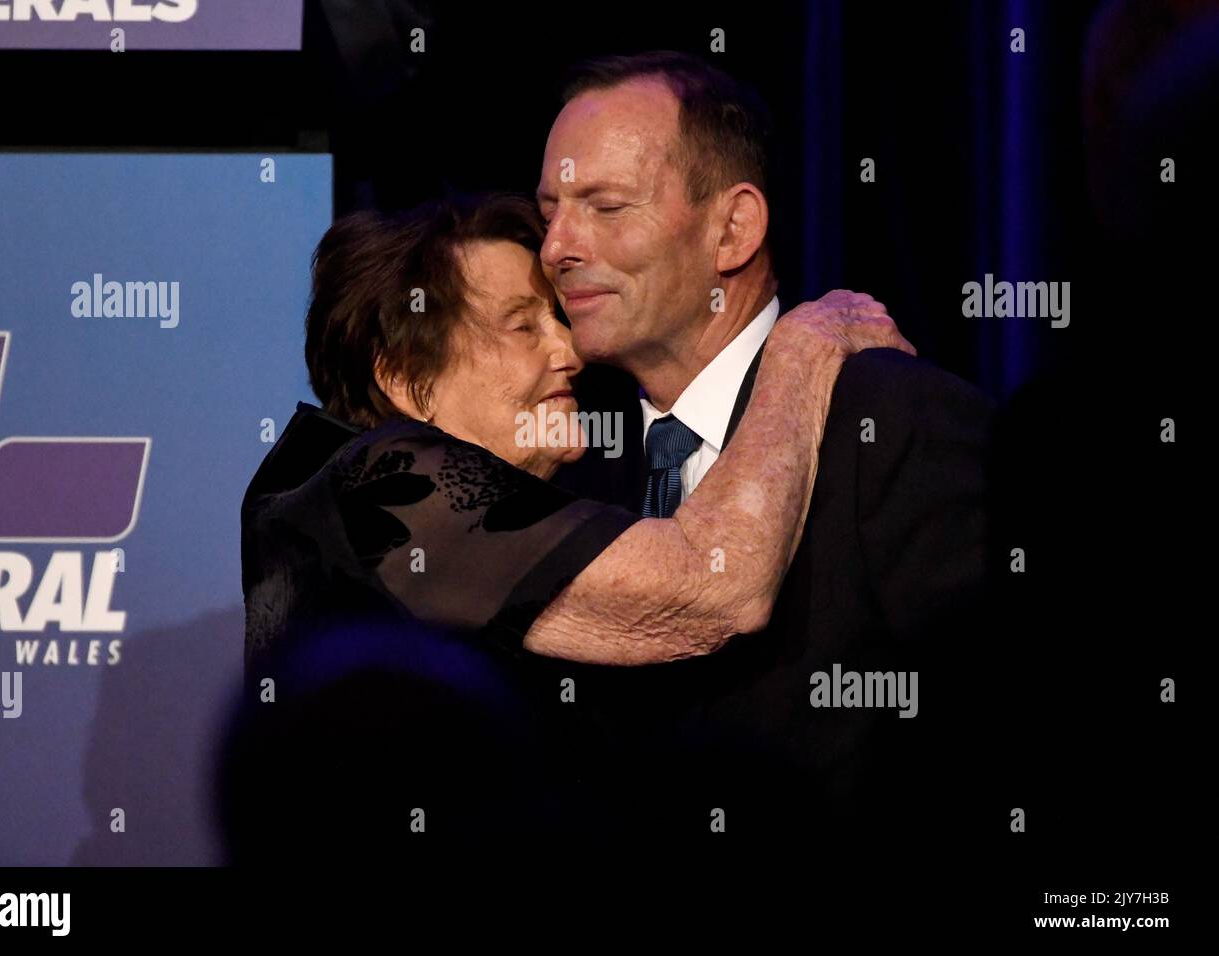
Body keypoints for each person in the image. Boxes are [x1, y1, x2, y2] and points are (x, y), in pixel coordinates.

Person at [538, 52, 995, 841]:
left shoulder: (889, 420)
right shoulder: (567, 461)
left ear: (734, 228)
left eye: (605, 206)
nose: (557, 248)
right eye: (549, 211)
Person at [241, 194, 911, 681]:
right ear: (410, 381)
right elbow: (712, 587)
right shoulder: (382, 483)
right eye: (523, 327)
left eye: (557, 320)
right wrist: (800, 348)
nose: (571, 352)